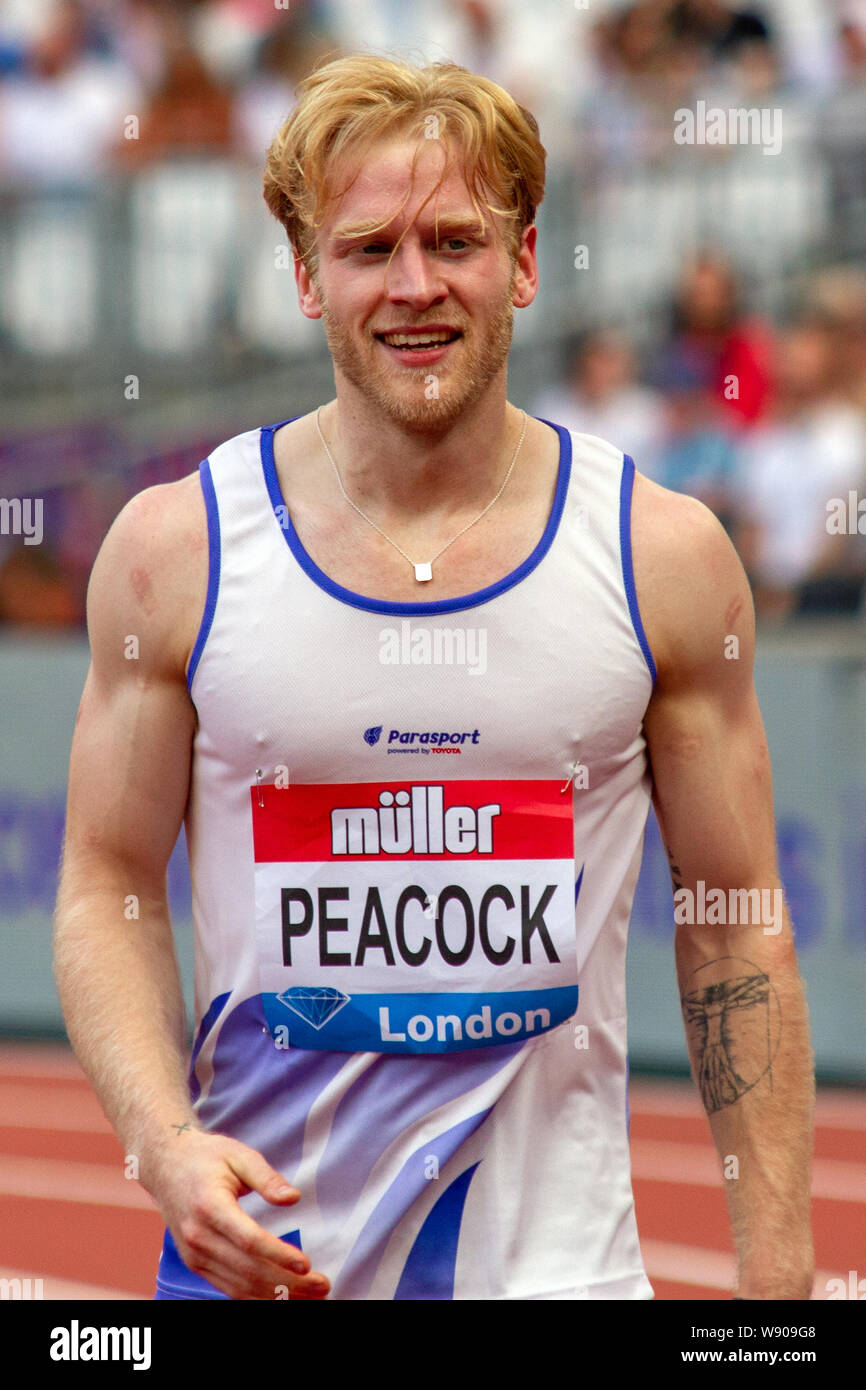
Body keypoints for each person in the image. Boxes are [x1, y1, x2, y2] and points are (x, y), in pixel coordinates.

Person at [53, 54, 815, 1302]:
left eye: (455, 239)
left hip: (556, 1279)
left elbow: (735, 924)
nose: (414, 286)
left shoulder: (660, 558)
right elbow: (106, 880)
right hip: (259, 1273)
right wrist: (164, 1145)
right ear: (306, 278)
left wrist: (780, 1298)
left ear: (521, 262)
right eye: (366, 249)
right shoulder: (174, 554)